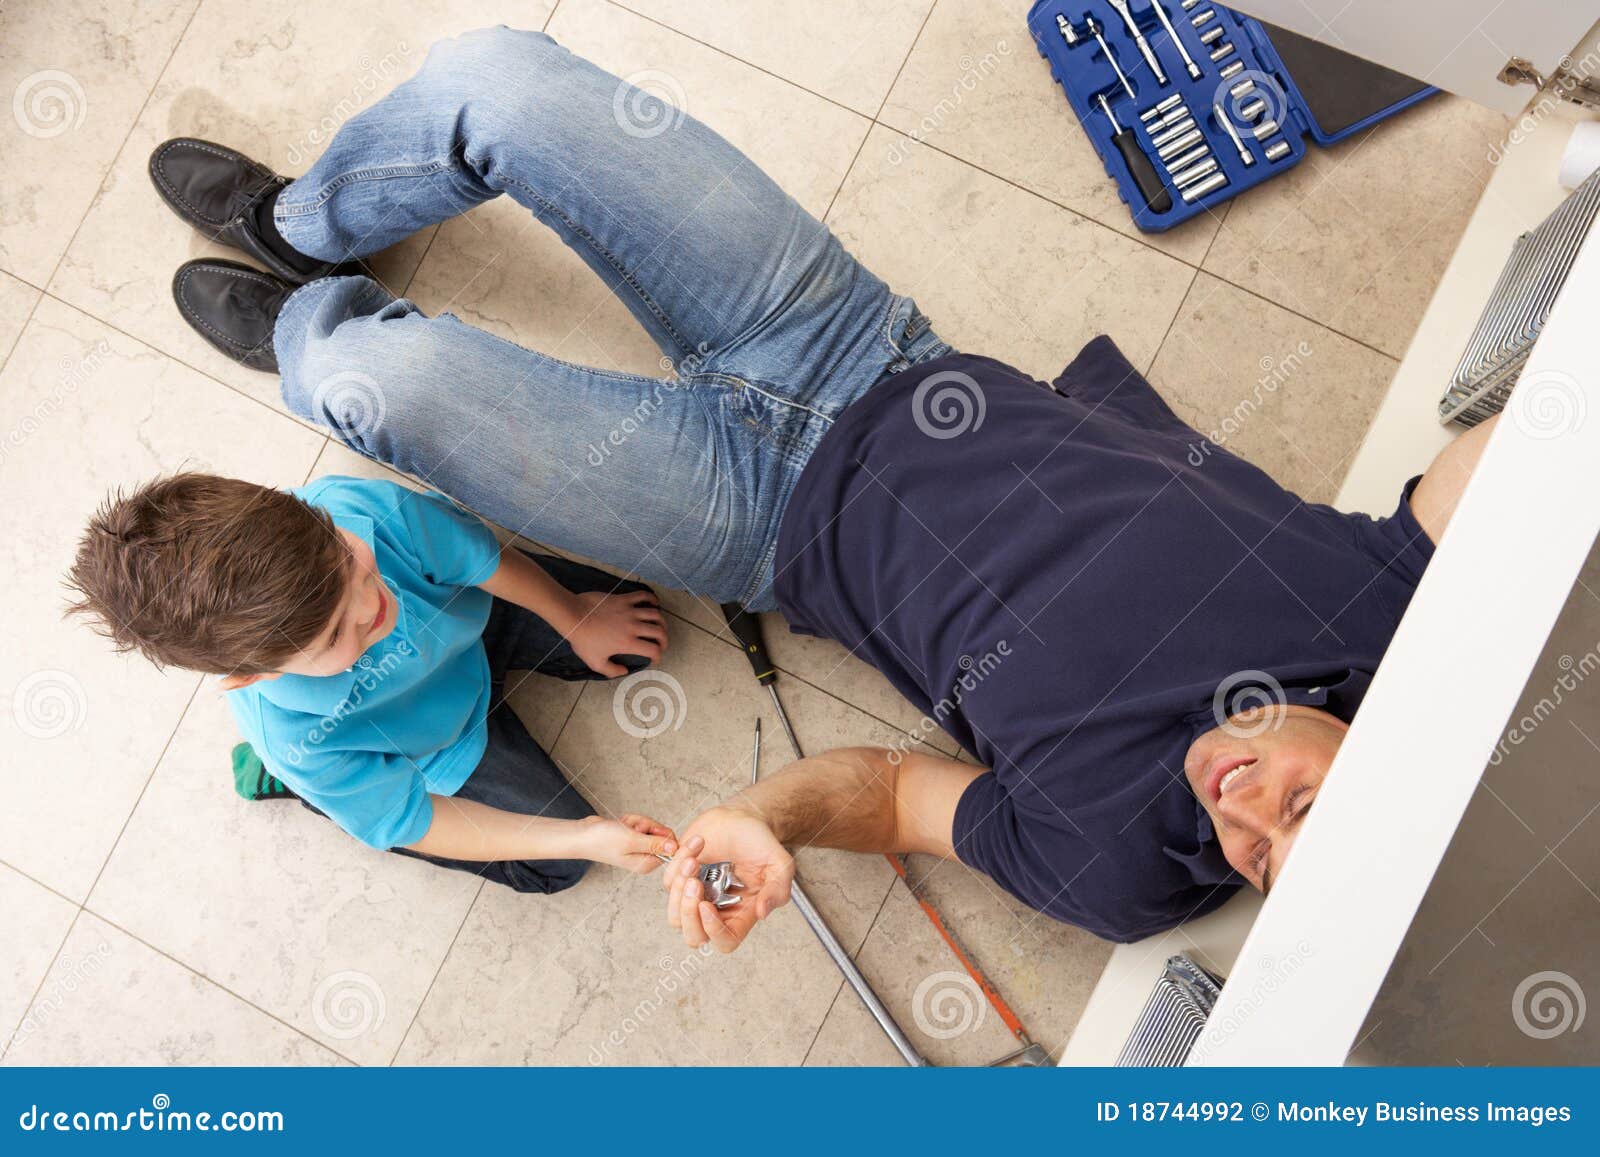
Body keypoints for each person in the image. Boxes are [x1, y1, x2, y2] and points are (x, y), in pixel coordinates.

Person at [129, 26, 1497, 945]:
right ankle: (299, 223)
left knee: (368, 382)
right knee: (502, 75)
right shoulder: (1392, 610)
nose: (1236, 805)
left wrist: (761, 815)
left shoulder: (1120, 870)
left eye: (1255, 857)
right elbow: (1529, 451)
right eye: (1296, 802)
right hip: (860, 341)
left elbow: (897, 798)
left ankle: (305, 326)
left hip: (759, 522)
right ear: (1383, 739)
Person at [66, 469, 678, 892]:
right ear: (253, 675)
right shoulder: (294, 736)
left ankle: (354, 767)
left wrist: (573, 617)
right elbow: (418, 821)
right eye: (336, 633)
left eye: (347, 562)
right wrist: (582, 837)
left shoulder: (359, 508)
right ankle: (317, 793)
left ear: (311, 513)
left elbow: (477, 558)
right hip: (432, 750)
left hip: (473, 625)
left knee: (635, 631)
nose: (372, 608)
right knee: (562, 865)